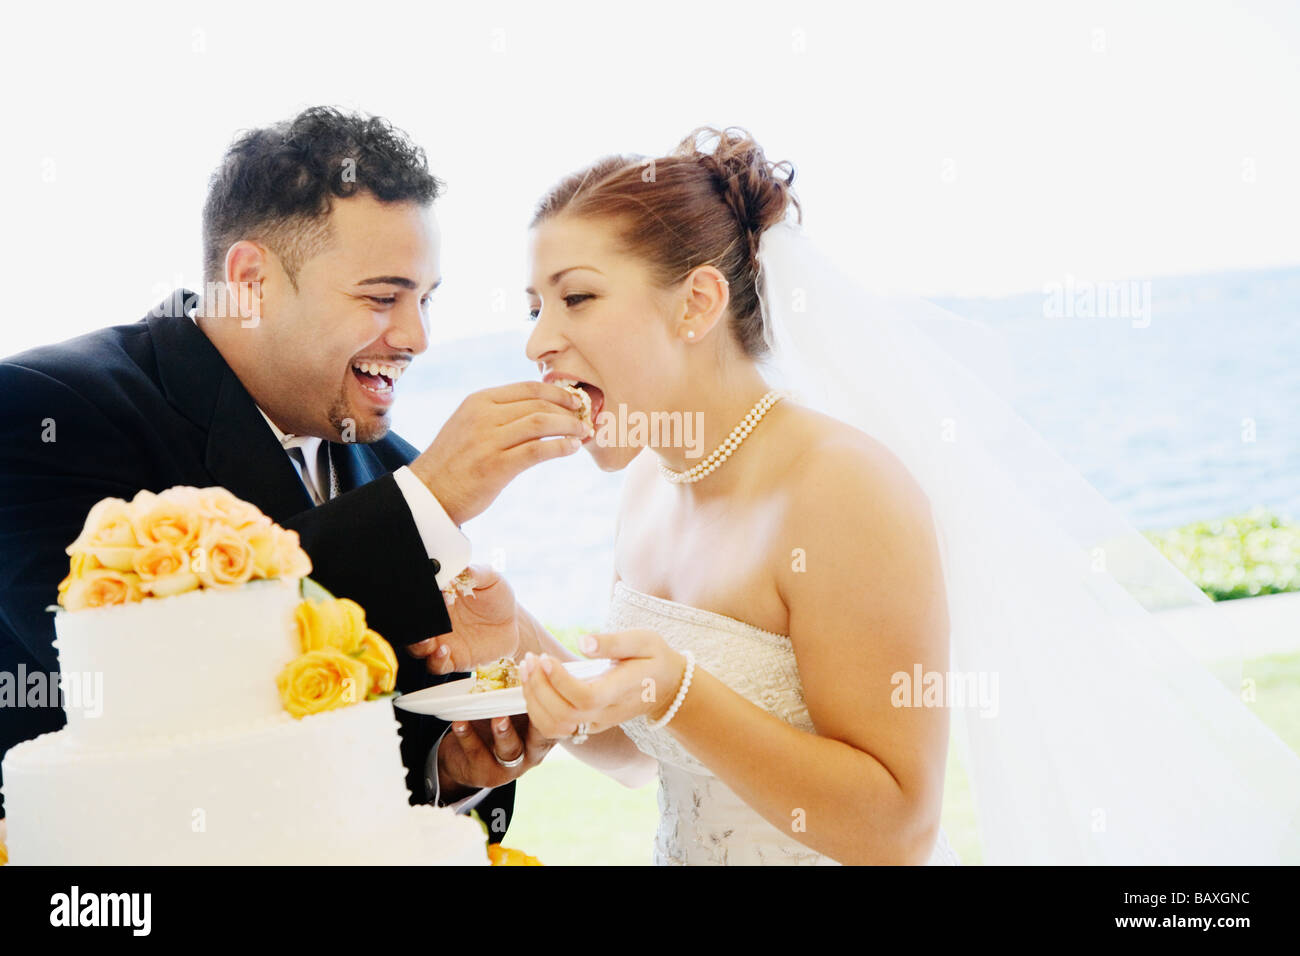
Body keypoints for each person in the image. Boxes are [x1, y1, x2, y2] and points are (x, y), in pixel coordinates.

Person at [424, 126, 1300, 865]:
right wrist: (518, 637)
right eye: (535, 306)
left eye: (576, 298)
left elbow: (897, 826)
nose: (538, 340)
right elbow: (635, 752)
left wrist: (677, 688)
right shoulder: (654, 481)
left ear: (695, 303)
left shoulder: (842, 489)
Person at [0, 106, 585, 843]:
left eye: (426, 300)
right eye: (382, 297)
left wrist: (452, 771)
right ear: (251, 280)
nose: (417, 338)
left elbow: (359, 753)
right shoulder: (40, 410)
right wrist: (427, 503)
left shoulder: (394, 468)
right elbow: (127, 676)